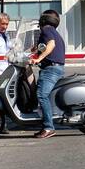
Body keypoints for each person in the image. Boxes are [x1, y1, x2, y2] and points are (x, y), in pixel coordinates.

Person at [30, 9, 66, 139]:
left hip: (50, 69)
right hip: (56, 68)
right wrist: (35, 51)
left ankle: (48, 128)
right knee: (47, 97)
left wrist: (39, 59)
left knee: (41, 95)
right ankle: (46, 124)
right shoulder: (54, 32)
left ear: (43, 20)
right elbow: (45, 47)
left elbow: (51, 45)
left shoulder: (46, 30)